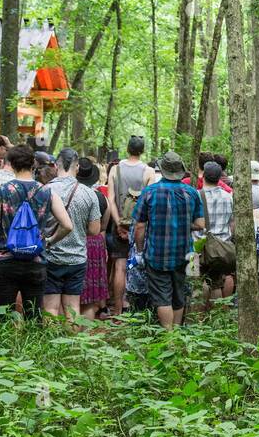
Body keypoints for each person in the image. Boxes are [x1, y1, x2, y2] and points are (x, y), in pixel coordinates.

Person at [0, 145, 73, 322]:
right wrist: (49, 241)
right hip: (36, 261)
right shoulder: (47, 192)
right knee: (34, 316)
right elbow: (67, 225)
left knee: (4, 315)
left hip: (6, 260)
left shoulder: (0, 191)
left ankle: (4, 339)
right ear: (33, 164)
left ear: (11, 164)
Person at [133, 150, 206, 328]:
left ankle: (169, 335)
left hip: (156, 254)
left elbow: (140, 225)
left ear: (162, 169)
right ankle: (177, 332)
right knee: (179, 293)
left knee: (162, 297)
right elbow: (200, 224)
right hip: (185, 253)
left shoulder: (149, 192)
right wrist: (182, 223)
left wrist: (140, 251)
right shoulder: (192, 192)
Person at [41, 148, 102, 320]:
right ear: (77, 167)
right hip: (77, 258)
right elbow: (95, 230)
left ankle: (52, 338)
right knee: (73, 308)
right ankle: (73, 338)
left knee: (50, 308)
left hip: (50, 256)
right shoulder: (89, 193)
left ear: (56, 166)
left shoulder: (45, 190)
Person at [107, 136, 156, 316]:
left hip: (119, 224)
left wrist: (118, 223)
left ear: (127, 149)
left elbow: (111, 199)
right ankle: (137, 309)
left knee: (120, 267)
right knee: (139, 265)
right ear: (142, 151)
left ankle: (117, 309)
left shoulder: (115, 169)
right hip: (140, 225)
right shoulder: (149, 171)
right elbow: (149, 202)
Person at [78, 158, 111, 319]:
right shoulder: (101, 198)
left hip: (76, 241)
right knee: (91, 293)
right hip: (95, 243)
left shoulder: (70, 194)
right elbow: (103, 226)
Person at [199, 161, 236, 300]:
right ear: (219, 178)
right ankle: (217, 312)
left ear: (203, 176)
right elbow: (232, 223)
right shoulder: (228, 196)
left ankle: (200, 313)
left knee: (196, 283)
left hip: (196, 249)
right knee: (216, 284)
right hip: (220, 249)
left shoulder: (196, 196)